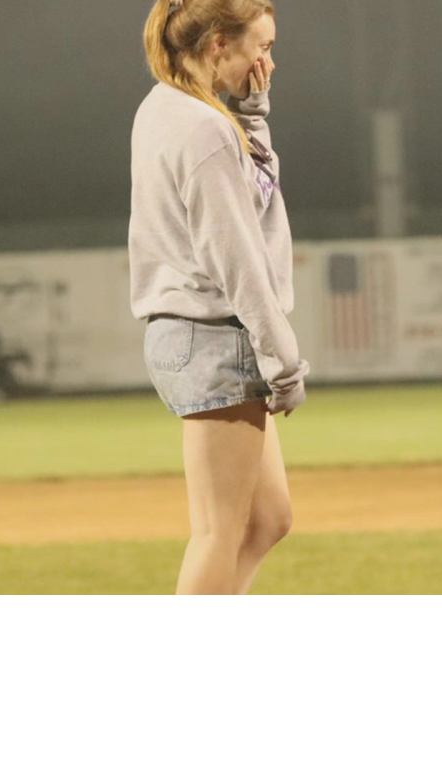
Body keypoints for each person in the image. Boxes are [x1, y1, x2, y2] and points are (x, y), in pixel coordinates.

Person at [130, 0, 307, 594]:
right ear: (218, 45)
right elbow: (237, 257)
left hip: (197, 331)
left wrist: (251, 115)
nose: (268, 63)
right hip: (213, 334)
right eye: (263, 47)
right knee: (218, 530)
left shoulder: (170, 106)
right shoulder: (203, 128)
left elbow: (251, 194)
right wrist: (283, 360)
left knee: (267, 520)